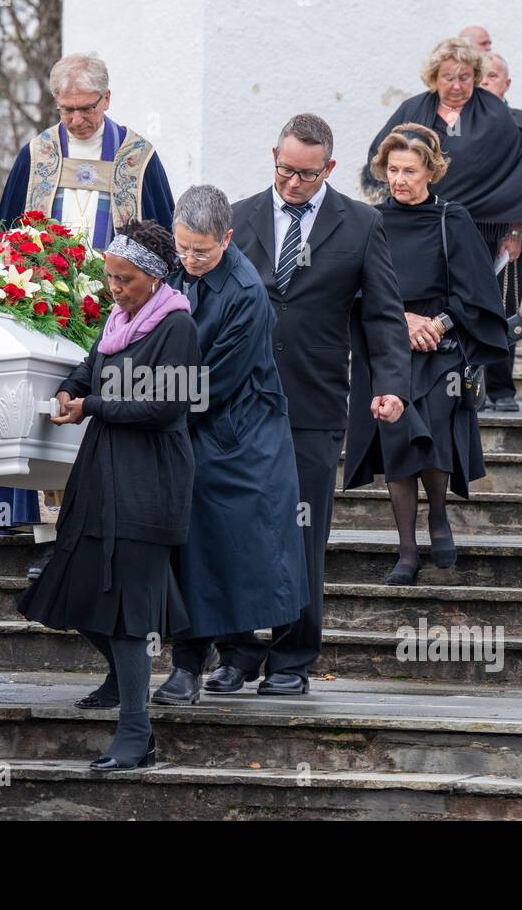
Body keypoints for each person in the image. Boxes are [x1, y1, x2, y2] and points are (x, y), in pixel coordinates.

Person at [216, 113, 411, 697]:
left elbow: (382, 312)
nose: (292, 183)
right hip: (238, 401)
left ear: (328, 166)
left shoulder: (361, 222)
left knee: (302, 532)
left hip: (314, 401)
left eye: (305, 174)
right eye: (284, 169)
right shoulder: (239, 215)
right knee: (235, 530)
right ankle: (235, 654)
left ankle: (292, 658)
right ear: (273, 154)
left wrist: (392, 383)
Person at [17, 221, 199, 767]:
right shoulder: (121, 320)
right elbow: (89, 367)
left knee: (129, 609)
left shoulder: (176, 326)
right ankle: (122, 682)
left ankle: (136, 732)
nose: (113, 289)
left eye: (124, 280)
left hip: (150, 484)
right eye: (110, 278)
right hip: (102, 475)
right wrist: (72, 388)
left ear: (153, 278)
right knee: (75, 586)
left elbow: (169, 405)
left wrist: (92, 405)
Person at [0, 52, 176, 534]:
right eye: (65, 110)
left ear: (107, 99)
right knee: (45, 409)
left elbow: (164, 239)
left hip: (119, 316)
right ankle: (43, 528)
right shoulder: (38, 154)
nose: (76, 120)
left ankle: (89, 526)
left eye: (86, 108)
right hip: (43, 308)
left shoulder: (139, 157)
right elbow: (6, 234)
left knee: (97, 411)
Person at [151, 186, 307, 704]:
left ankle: (188, 667)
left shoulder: (245, 293)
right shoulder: (173, 270)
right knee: (210, 551)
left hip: (239, 433)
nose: (190, 261)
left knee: (220, 547)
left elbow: (212, 383)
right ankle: (238, 652)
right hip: (193, 425)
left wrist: (139, 400)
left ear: (228, 238)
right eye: (183, 248)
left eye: (202, 251)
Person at [345, 126, 509, 585]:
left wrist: (436, 323)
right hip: (388, 347)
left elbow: (477, 292)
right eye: (392, 170)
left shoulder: (451, 218)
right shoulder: (369, 221)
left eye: (409, 171)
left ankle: (438, 515)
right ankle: (406, 549)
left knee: (434, 432)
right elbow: (354, 291)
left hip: (441, 348)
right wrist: (401, 320)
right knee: (397, 439)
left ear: (431, 171)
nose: (399, 179)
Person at [365, 38, 522, 410]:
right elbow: (383, 154)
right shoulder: (413, 109)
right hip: (430, 230)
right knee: (444, 307)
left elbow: (521, 170)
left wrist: (516, 231)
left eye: (466, 78)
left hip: (489, 229)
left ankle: (500, 390)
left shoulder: (494, 111)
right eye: (448, 77)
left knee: (492, 306)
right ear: (434, 77)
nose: (457, 86)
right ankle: (444, 388)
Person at [477, 51, 522, 411]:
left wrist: (517, 232)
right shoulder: (460, 123)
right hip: (469, 232)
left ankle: (502, 391)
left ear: (506, 83)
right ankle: (471, 388)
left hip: (510, 233)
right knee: (470, 309)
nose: (485, 82)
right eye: (480, 76)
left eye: (492, 76)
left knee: (505, 308)